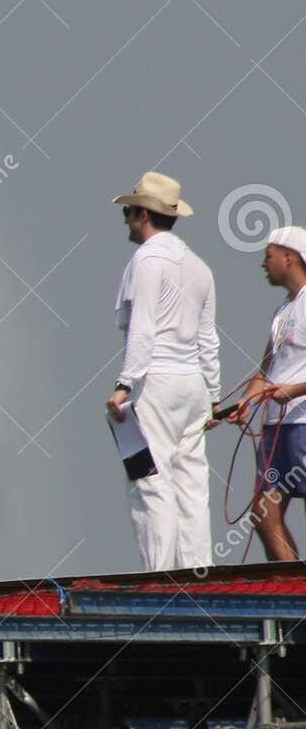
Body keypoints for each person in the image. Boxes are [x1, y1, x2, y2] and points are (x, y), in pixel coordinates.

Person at [106, 172, 221, 571]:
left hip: (155, 381)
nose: (125, 219)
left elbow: (144, 327)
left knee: (150, 480)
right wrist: (215, 395)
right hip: (193, 386)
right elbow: (208, 339)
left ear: (143, 214)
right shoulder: (200, 267)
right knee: (191, 483)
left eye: (129, 212)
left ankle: (160, 577)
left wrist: (125, 384)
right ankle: (198, 572)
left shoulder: (147, 260)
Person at [230, 225, 306, 561]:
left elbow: (284, 380)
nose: (264, 263)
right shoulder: (281, 312)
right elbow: (265, 372)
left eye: (269, 255)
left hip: (302, 421)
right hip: (275, 428)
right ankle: (295, 598)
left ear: (289, 258)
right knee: (263, 513)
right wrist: (246, 401)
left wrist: (293, 390)